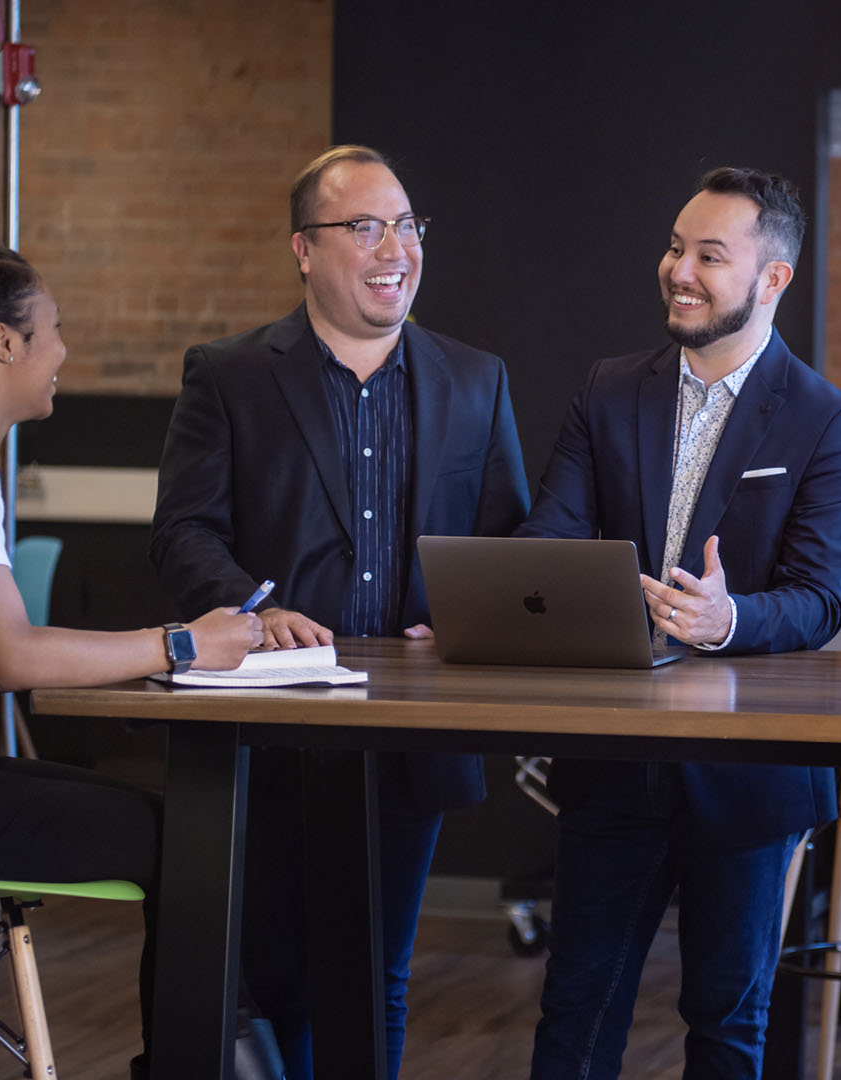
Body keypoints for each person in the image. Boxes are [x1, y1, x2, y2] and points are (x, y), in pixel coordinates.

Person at [150, 145, 530, 1078]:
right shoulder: (231, 375)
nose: (392, 245)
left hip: (411, 729)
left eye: (405, 224)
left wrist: (471, 614)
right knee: (281, 977)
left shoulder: (476, 380)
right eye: (364, 226)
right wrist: (249, 606)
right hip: (272, 723)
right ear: (304, 249)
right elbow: (181, 533)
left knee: (377, 974)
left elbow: (513, 538)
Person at [519, 166, 841, 1079]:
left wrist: (728, 619)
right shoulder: (606, 390)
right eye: (677, 247)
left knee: (725, 1022)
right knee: (574, 1011)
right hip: (613, 754)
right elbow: (547, 540)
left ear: (772, 279)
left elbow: (821, 599)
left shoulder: (830, 421)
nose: (679, 270)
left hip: (744, 766)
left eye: (709, 256)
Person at [0, 246, 262, 1080]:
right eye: (54, 331)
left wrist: (141, 659)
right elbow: (10, 653)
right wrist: (182, 644)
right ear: (4, 342)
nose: (63, 352)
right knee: (191, 841)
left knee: (177, 823)